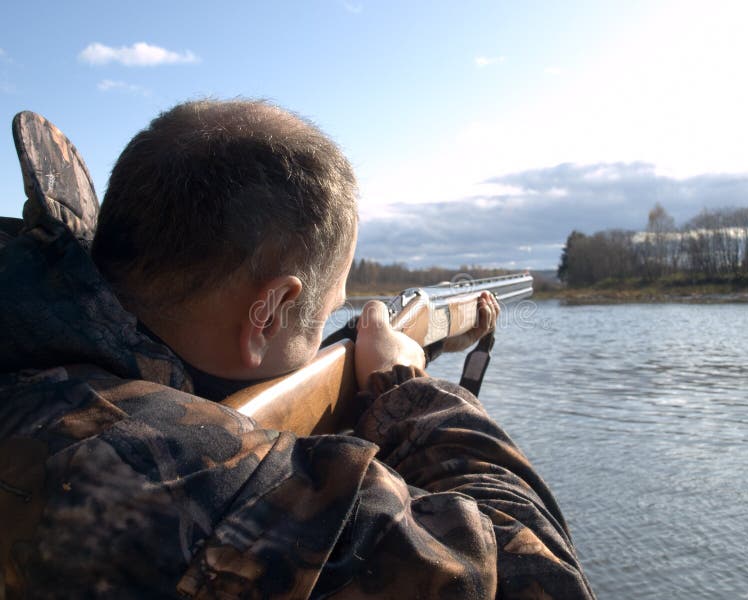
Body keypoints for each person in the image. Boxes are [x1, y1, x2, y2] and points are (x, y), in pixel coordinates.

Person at [0, 101, 595, 598]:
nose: (325, 335)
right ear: (265, 313)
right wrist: (407, 386)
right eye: (327, 308)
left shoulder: (40, 360)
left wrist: (420, 348)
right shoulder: (170, 470)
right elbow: (541, 580)